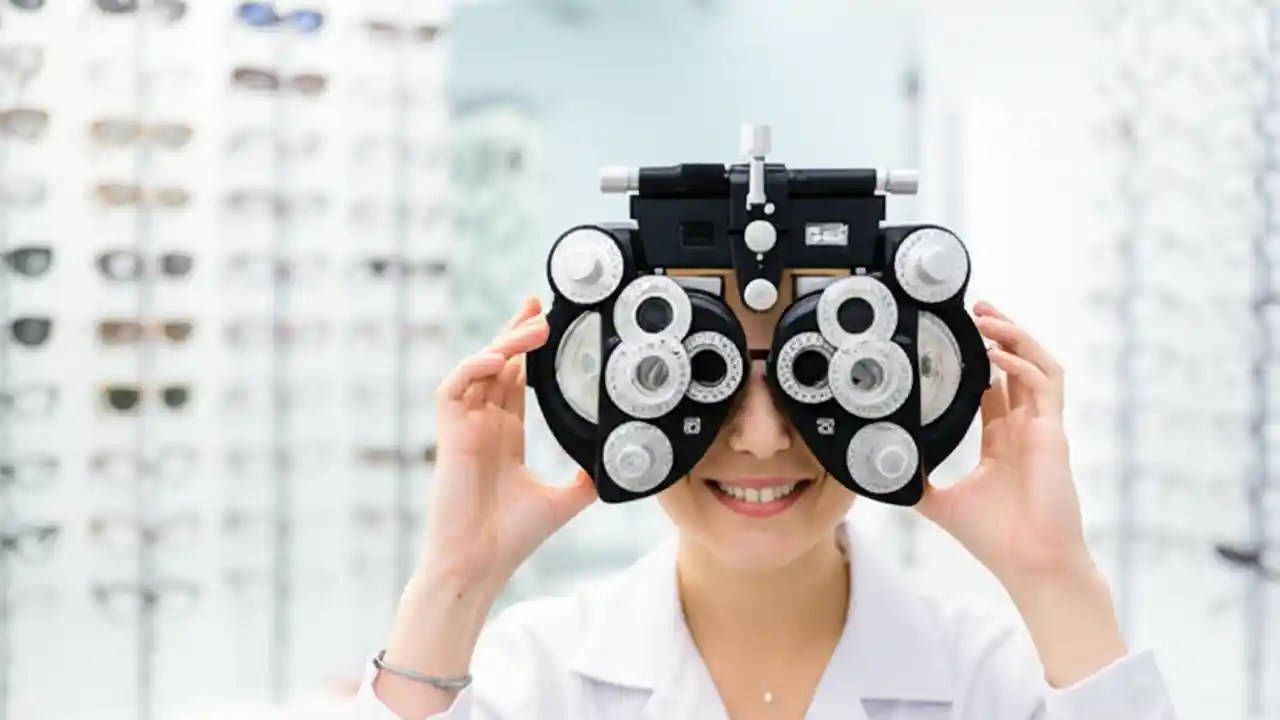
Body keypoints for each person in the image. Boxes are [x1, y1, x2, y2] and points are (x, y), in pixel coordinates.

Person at [352, 271, 1178, 719]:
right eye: (698, 381)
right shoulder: (532, 677)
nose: (760, 437)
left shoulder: (996, 682)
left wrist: (1056, 577)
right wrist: (451, 581)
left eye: (810, 379)